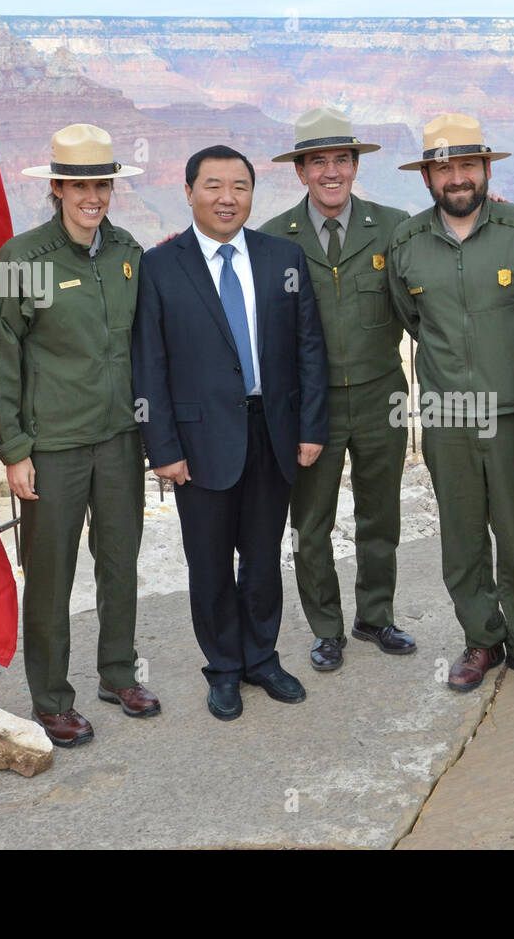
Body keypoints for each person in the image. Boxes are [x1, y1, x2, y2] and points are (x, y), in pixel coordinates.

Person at [0, 123, 159, 747]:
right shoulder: (20, 259)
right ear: (56, 188)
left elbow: (144, 344)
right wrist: (14, 450)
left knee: (120, 561)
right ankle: (52, 699)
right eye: (79, 186)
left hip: (119, 438)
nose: (93, 197)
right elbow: (0, 359)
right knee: (51, 575)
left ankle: (118, 674)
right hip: (52, 447)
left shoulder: (127, 251)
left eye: (101, 185)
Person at [131, 145, 328, 722]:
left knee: (264, 558)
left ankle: (261, 658)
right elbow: (149, 363)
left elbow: (310, 348)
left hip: (273, 433)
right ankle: (222, 668)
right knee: (210, 563)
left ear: (251, 194)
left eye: (239, 186)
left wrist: (311, 426)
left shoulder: (282, 257)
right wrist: (162, 447)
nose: (227, 198)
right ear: (189, 192)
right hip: (198, 443)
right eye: (213, 186)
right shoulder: (160, 266)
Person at [388, 113, 514, 693]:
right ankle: (481, 639)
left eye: (468, 165)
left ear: (487, 169)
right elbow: (414, 321)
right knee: (461, 537)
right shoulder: (406, 244)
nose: (457, 177)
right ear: (426, 178)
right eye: (444, 168)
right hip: (447, 418)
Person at [259, 107, 415, 672]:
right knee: (311, 522)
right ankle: (326, 629)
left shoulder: (395, 226)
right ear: (300, 171)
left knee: (381, 515)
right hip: (310, 404)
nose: (332, 172)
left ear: (355, 166)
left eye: (342, 160)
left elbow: (443, 264)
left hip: (381, 395)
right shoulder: (273, 237)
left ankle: (376, 615)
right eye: (318, 161)